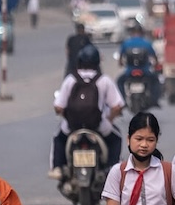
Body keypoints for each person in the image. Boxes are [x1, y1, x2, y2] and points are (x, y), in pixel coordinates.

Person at [49, 44, 124, 180]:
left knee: (58, 137)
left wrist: (68, 116)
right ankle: (112, 168)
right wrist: (109, 119)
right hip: (98, 126)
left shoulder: (70, 79)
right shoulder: (104, 80)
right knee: (116, 138)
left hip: (71, 127)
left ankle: (57, 168)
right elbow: (117, 106)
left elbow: (58, 107)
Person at [117, 22, 160, 107]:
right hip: (145, 71)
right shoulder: (147, 43)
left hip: (129, 72)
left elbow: (120, 59)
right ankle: (154, 101)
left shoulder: (126, 43)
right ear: (142, 32)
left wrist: (121, 64)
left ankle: (123, 100)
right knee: (155, 81)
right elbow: (154, 57)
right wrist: (155, 65)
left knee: (120, 81)